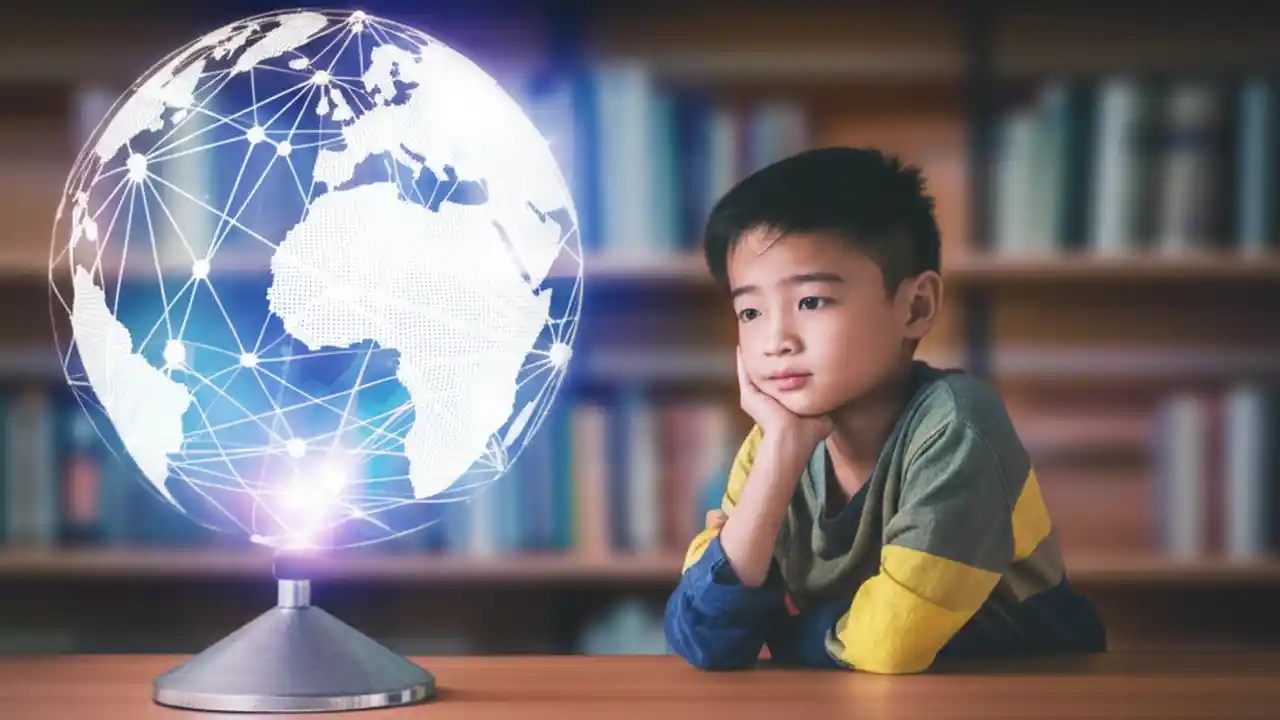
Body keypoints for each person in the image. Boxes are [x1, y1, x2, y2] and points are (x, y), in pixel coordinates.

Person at [663, 147, 1106, 673]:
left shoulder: (957, 426)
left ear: (915, 306)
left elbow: (889, 643)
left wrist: (783, 636)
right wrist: (780, 455)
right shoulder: (775, 442)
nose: (775, 340)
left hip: (1028, 687)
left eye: (811, 302)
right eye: (750, 311)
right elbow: (702, 637)